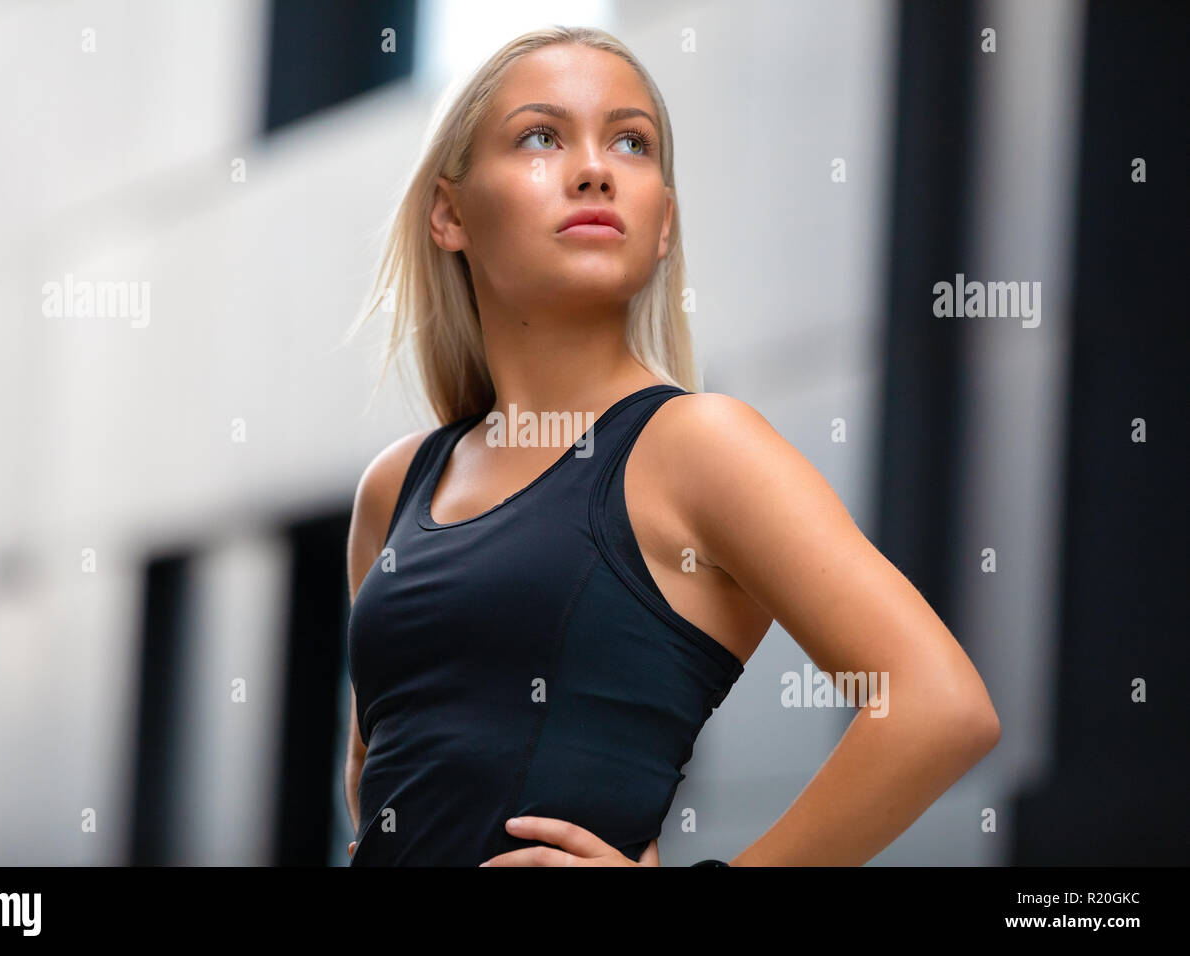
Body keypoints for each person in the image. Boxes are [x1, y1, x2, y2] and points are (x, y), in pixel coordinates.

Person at [341, 25, 999, 867]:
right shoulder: (395, 486)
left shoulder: (698, 446)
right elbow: (379, 764)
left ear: (662, 226)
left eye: (632, 142)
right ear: (448, 213)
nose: (595, 168)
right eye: (541, 136)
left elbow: (938, 705)